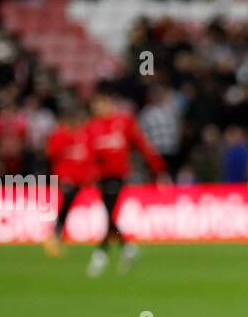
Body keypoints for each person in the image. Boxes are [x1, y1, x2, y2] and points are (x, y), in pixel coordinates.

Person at [84, 84, 168, 278]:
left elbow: (141, 144)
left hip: (118, 176)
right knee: (110, 216)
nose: (98, 108)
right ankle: (127, 248)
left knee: (110, 215)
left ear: (109, 103)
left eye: (101, 104)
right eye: (95, 105)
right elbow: (89, 155)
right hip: (101, 178)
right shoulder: (92, 127)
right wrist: (88, 175)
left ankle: (101, 254)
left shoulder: (124, 122)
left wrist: (157, 166)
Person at [43, 94, 94, 257]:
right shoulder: (60, 135)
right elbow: (52, 154)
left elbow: (86, 157)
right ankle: (54, 237)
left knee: (67, 208)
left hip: (79, 179)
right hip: (66, 179)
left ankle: (56, 237)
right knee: (64, 207)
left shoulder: (82, 135)